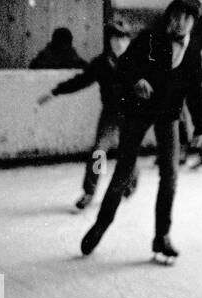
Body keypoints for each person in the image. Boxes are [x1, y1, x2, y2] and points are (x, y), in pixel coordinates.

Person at [80, 0, 202, 261]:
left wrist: (200, 126)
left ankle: (162, 237)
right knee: (123, 172)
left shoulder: (194, 51)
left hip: (169, 115)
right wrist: (137, 79)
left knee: (171, 175)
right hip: (139, 111)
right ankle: (101, 225)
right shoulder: (150, 38)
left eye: (188, 18)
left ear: (193, 22)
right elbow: (125, 65)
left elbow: (195, 90)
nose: (182, 23)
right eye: (178, 17)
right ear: (170, 17)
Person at [37, 22, 136, 210]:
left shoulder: (137, 63)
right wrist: (55, 92)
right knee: (98, 152)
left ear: (128, 40)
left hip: (132, 115)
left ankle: (130, 182)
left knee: (128, 153)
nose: (119, 43)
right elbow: (81, 80)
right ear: (109, 40)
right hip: (110, 115)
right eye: (115, 38)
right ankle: (89, 191)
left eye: (123, 38)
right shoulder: (101, 63)